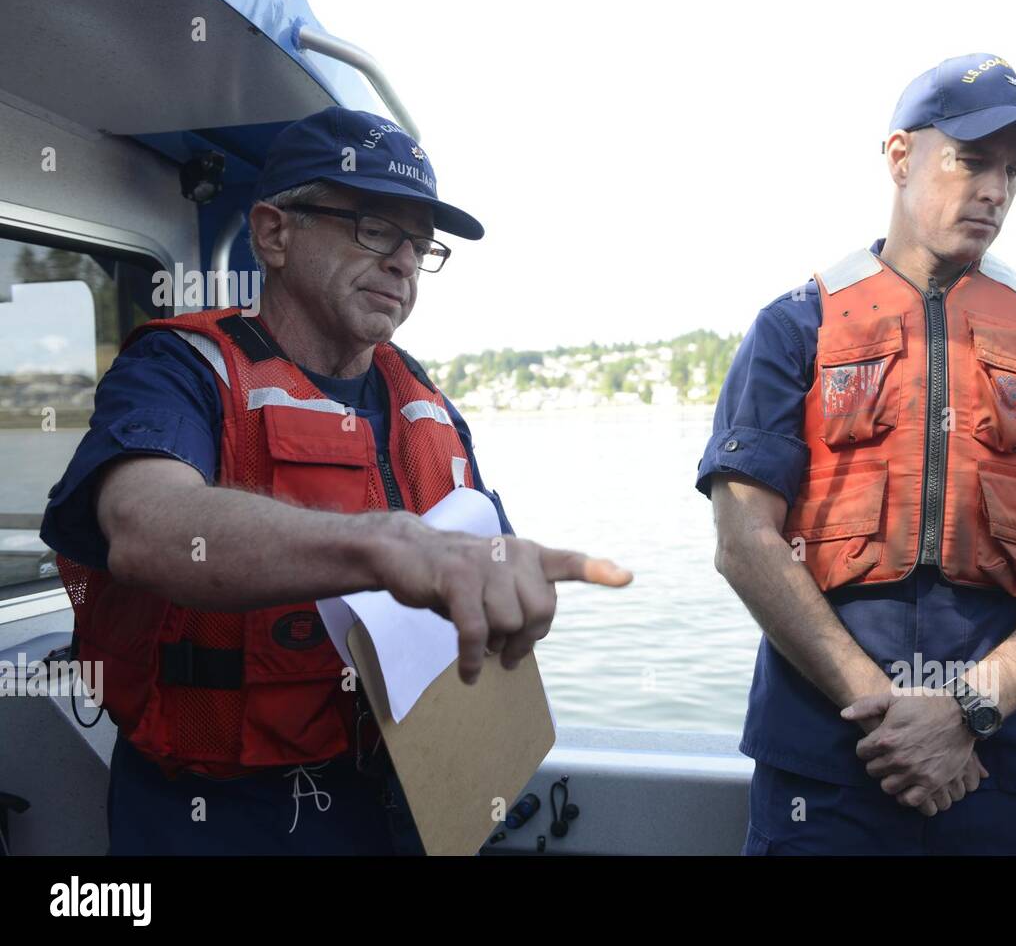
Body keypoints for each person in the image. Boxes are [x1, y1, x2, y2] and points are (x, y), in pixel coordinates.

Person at [40, 106, 631, 855]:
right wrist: (385, 544)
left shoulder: (430, 405)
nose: (403, 262)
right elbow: (146, 524)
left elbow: (479, 565)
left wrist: (514, 592)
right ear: (273, 232)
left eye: (419, 244)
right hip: (216, 818)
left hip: (401, 802)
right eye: (374, 227)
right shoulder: (180, 371)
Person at [697, 54, 1016, 854]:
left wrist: (966, 710)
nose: (995, 191)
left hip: (1013, 767)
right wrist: (886, 711)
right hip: (835, 762)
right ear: (901, 157)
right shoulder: (792, 330)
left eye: (1013, 172)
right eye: (972, 160)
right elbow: (744, 541)